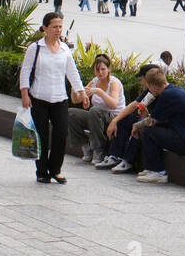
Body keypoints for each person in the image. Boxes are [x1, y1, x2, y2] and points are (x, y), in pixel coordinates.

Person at [19, 12, 85, 184]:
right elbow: (25, 72)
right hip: (39, 98)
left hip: (60, 98)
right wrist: (25, 95)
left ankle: (55, 169)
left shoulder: (64, 49)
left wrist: (82, 92)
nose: (58, 30)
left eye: (60, 27)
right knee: (41, 136)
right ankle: (42, 171)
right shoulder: (36, 48)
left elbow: (72, 72)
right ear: (45, 28)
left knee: (61, 134)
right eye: (54, 27)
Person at [131, 66, 185, 184]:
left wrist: (136, 125)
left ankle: (158, 172)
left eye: (148, 87)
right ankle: (150, 168)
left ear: (152, 86)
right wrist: (146, 116)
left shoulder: (167, 96)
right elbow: (157, 120)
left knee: (148, 131)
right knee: (150, 130)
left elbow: (151, 122)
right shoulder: (173, 90)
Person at [66, 54, 125, 165]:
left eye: (103, 69)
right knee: (71, 113)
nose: (100, 72)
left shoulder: (114, 83)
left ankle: (99, 150)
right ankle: (86, 146)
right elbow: (76, 100)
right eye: (97, 70)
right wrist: (74, 90)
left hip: (113, 118)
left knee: (94, 110)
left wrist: (99, 92)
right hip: (96, 117)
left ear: (108, 69)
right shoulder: (94, 81)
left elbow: (114, 104)